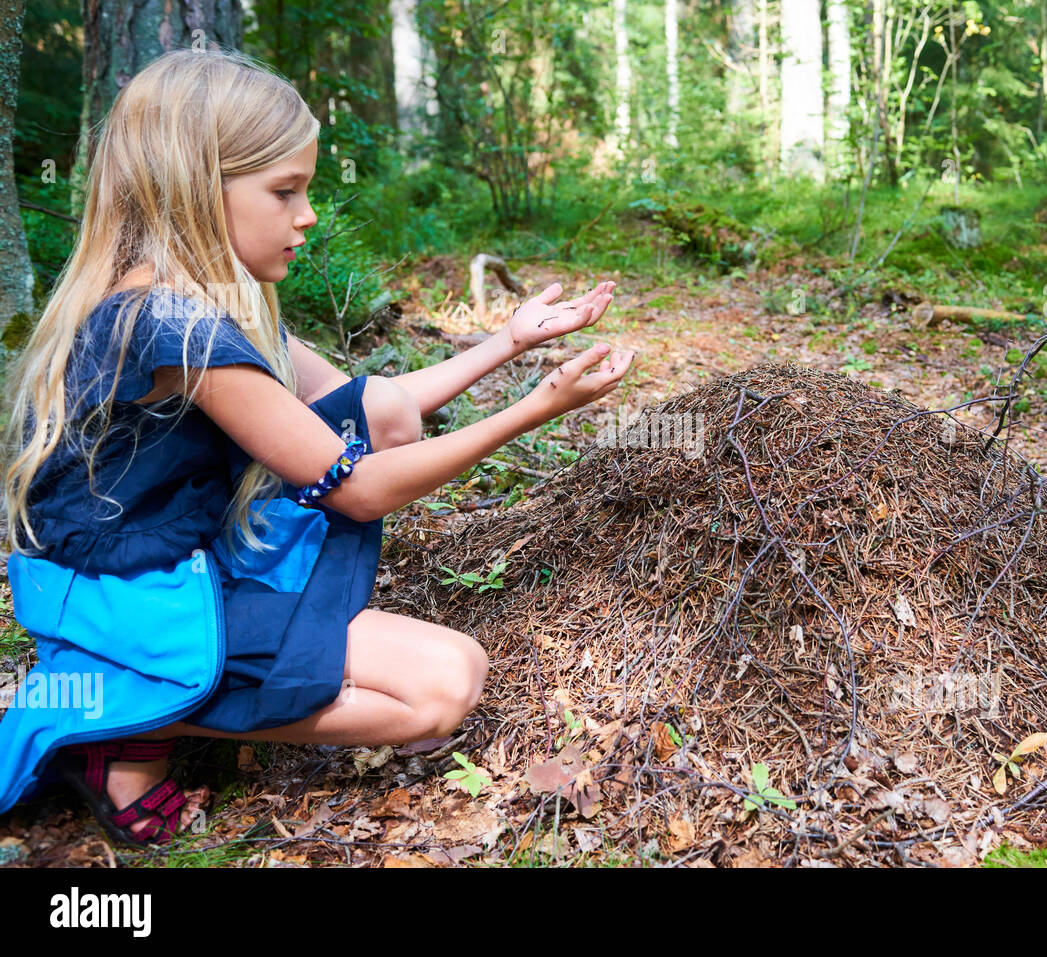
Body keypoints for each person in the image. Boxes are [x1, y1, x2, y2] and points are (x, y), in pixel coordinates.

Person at [0, 47, 634, 848]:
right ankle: (113, 716)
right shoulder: (175, 328)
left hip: (166, 549)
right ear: (198, 187)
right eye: (284, 191)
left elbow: (374, 407)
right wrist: (536, 409)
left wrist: (505, 343)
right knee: (444, 684)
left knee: (374, 408)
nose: (307, 215)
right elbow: (356, 487)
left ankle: (156, 686)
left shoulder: (201, 294)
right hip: (131, 597)